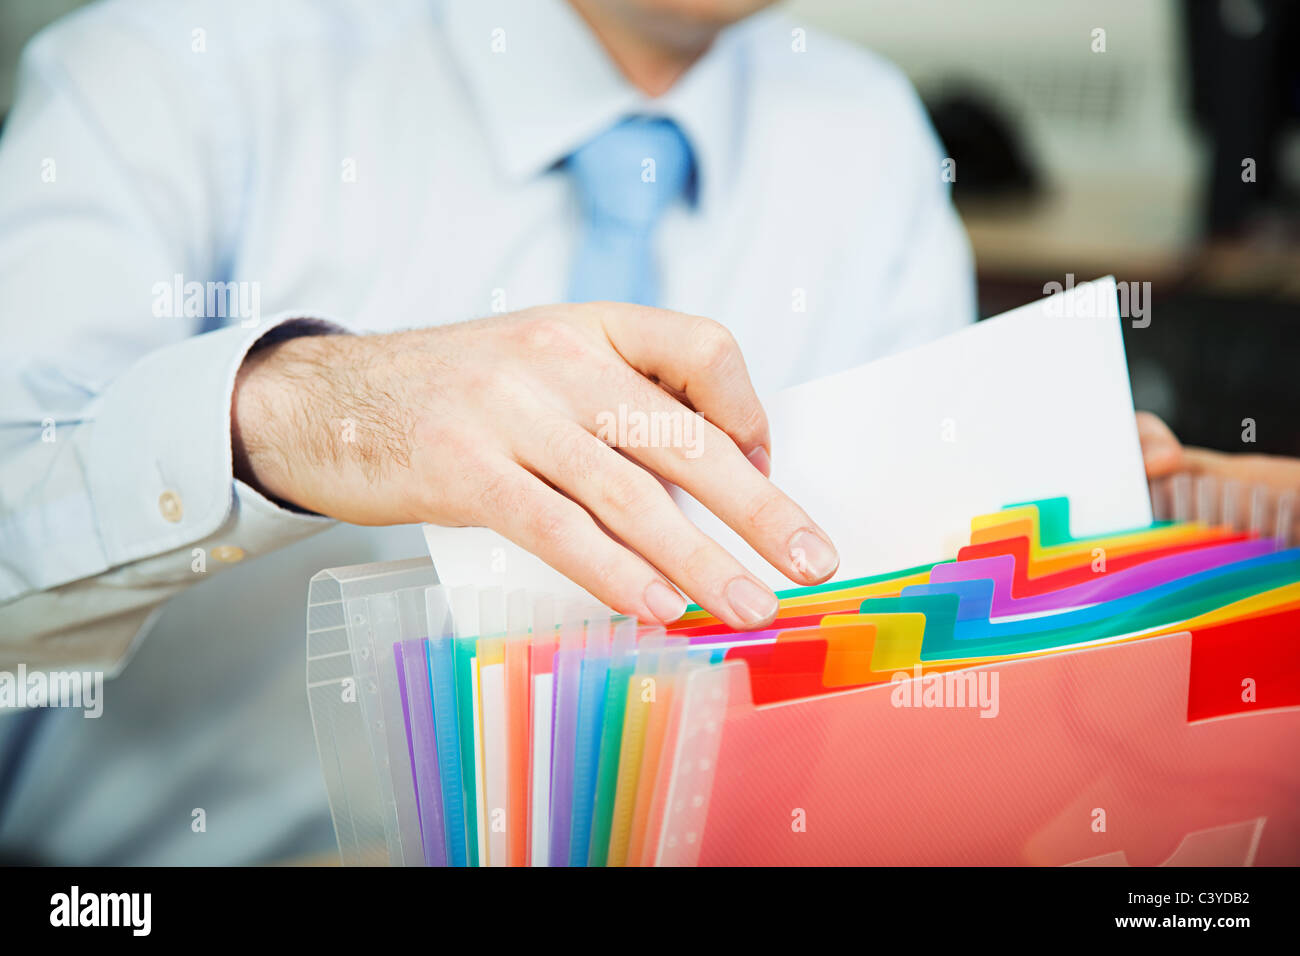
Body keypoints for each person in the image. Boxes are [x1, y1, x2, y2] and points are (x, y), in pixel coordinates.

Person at [0, 0, 1289, 864]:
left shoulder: (872, 138)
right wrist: (303, 406)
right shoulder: (164, 67)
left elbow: (899, 654)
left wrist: (1128, 580)